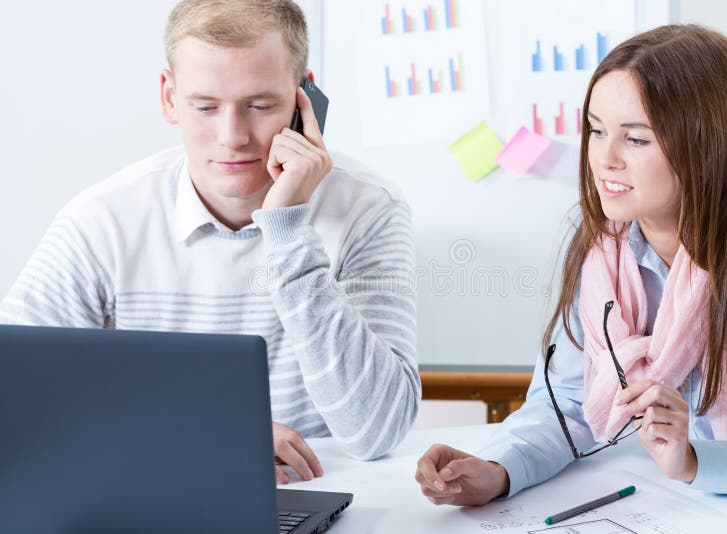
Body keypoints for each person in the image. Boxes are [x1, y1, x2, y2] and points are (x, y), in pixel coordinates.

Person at [0, 0, 420, 484]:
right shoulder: (105, 219)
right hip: (157, 486)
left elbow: (378, 432)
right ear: (168, 96)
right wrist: (213, 438)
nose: (233, 136)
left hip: (321, 494)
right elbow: (13, 399)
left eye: (259, 105)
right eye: (205, 106)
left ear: (304, 95)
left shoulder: (369, 209)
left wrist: (286, 229)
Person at [415, 24, 727, 505]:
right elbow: (569, 405)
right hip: (647, 506)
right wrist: (497, 470)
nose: (605, 159)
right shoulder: (599, 245)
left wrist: (697, 461)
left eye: (636, 140)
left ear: (706, 144)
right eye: (596, 130)